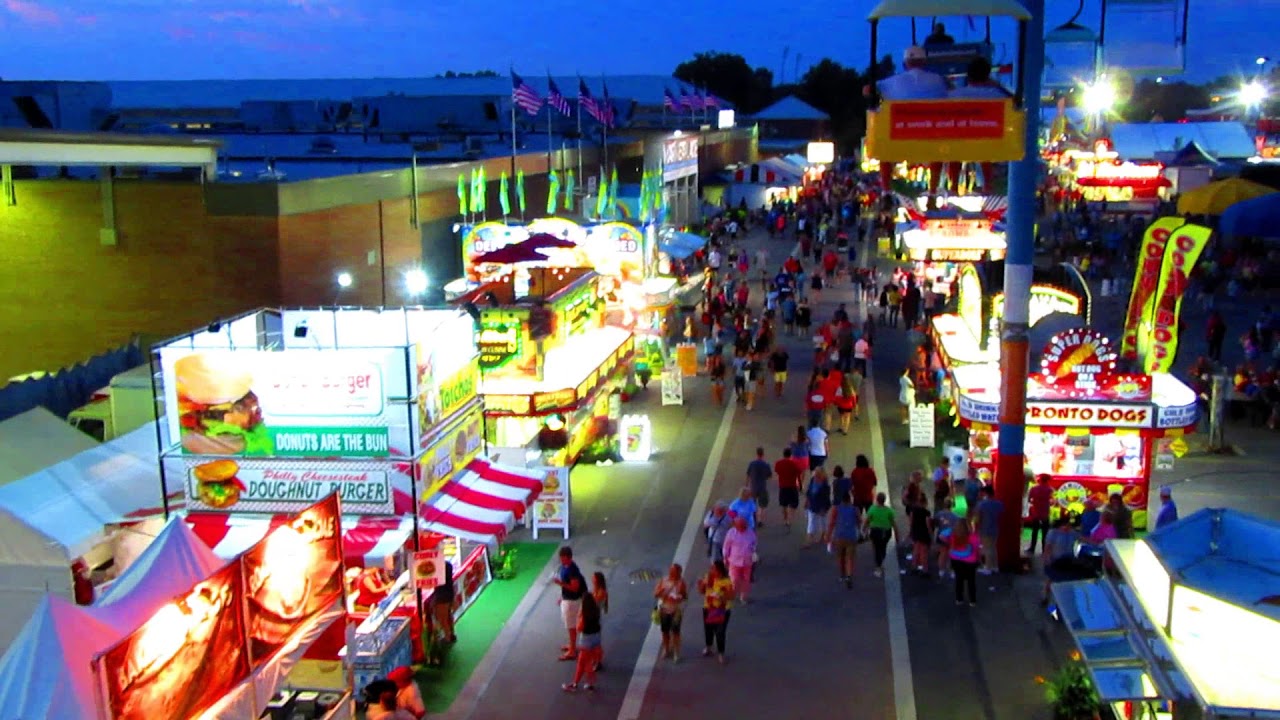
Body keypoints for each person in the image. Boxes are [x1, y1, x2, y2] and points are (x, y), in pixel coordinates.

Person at [868, 46, 949, 197]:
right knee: (938, 148)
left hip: (899, 139)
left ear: (905, 64)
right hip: (930, 138)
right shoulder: (938, 80)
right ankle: (932, 190)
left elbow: (867, 90)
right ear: (924, 62)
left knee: (883, 149)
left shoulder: (891, 82)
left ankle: (886, 190)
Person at [561, 592, 603, 692]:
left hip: (586, 640)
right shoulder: (596, 610)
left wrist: (579, 616)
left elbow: (579, 628)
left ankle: (587, 683)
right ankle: (578, 683)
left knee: (585, 663)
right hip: (596, 637)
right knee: (582, 661)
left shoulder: (584, 614)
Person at [553, 546, 587, 661]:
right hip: (567, 598)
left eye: (563, 559)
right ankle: (572, 645)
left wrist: (560, 583)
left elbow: (574, 588)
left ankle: (572, 651)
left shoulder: (573, 570)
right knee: (569, 625)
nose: (561, 561)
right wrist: (562, 597)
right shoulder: (564, 566)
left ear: (569, 558)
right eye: (561, 558)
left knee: (571, 625)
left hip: (573, 601)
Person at [697, 560, 735, 664]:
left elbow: (731, 596)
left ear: (720, 571)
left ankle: (721, 653)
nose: (711, 570)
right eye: (711, 568)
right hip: (708, 608)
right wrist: (702, 584)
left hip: (722, 610)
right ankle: (708, 647)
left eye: (714, 569)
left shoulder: (727, 582)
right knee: (708, 630)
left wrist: (721, 596)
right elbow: (701, 591)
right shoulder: (708, 578)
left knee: (720, 632)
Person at [1041, 516, 1082, 604]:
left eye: (1069, 525)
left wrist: (1097, 543)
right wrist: (1047, 558)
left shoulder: (1072, 533)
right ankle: (1046, 597)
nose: (1068, 527)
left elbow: (1082, 539)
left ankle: (1062, 600)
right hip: (1055, 560)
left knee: (1065, 580)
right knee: (1051, 579)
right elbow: (1048, 546)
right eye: (1066, 525)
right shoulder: (1053, 533)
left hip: (1068, 560)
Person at [826, 490, 862, 588]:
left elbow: (831, 523)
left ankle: (842, 574)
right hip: (851, 536)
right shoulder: (855, 509)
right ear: (850, 499)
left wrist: (828, 536)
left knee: (840, 556)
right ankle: (849, 576)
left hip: (839, 536)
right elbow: (859, 521)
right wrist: (860, 531)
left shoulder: (836, 509)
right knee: (849, 557)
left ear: (842, 500)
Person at [653, 563, 688, 662]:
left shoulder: (681, 583)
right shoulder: (664, 581)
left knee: (676, 632)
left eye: (674, 572)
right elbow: (656, 594)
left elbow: (685, 596)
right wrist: (663, 592)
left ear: (679, 572)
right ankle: (666, 649)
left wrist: (679, 598)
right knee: (665, 632)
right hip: (664, 610)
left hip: (675, 611)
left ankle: (676, 652)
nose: (672, 573)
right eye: (671, 571)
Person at [721, 514, 757, 604]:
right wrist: (725, 557)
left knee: (746, 580)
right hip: (734, 561)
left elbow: (754, 542)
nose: (743, 527)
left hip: (747, 561)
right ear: (736, 526)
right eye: (741, 525)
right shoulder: (731, 533)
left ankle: (743, 597)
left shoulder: (750, 532)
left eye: (744, 525)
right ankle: (733, 592)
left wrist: (753, 550)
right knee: (734, 579)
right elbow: (726, 546)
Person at [863, 492, 899, 578]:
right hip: (886, 532)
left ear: (877, 499)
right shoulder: (889, 511)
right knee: (883, 547)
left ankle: (878, 566)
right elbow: (893, 523)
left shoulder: (872, 509)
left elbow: (867, 520)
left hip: (875, 531)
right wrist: (897, 534)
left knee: (876, 548)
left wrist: (864, 529)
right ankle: (881, 560)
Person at [949, 519, 982, 607]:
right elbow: (977, 549)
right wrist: (979, 560)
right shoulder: (973, 537)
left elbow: (948, 543)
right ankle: (972, 601)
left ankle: (959, 599)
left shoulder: (953, 535)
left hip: (955, 559)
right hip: (970, 561)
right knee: (971, 581)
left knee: (959, 579)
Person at [975, 486, 1004, 575]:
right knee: (993, 548)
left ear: (985, 493)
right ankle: (994, 566)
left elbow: (979, 518)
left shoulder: (981, 504)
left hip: (985, 528)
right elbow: (1001, 515)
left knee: (987, 548)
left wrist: (976, 528)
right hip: (995, 528)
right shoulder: (999, 504)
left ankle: (988, 567)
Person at [775, 447, 804, 529]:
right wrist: (800, 486)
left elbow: (777, 472)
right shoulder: (794, 464)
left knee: (784, 504)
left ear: (783, 454)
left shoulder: (778, 463)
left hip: (783, 486)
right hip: (792, 486)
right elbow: (799, 475)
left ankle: (785, 519)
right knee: (794, 504)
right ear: (791, 455)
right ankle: (790, 519)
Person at [804, 467, 833, 548]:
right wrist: (807, 501)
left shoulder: (825, 485)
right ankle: (808, 541)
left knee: (823, 523)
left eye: (817, 475)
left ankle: (823, 536)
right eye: (815, 475)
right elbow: (809, 492)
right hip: (812, 505)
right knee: (811, 523)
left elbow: (826, 498)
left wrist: (823, 508)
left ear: (822, 475)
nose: (816, 477)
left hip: (821, 506)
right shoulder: (812, 480)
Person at [429, 560, 456, 644]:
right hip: (449, 593)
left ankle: (447, 637)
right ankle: (451, 634)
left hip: (442, 595)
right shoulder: (448, 565)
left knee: (443, 618)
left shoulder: (439, 568)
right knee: (448, 615)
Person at [1027, 473, 1054, 555]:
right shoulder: (1050, 489)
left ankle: (1032, 548)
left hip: (1035, 512)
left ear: (1040, 480)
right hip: (1045, 512)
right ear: (1048, 480)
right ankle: (1044, 549)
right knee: (1045, 532)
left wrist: (1035, 502)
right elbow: (1052, 502)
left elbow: (1029, 499)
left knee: (1034, 531)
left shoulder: (1033, 488)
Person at [745, 447, 773, 527]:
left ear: (757, 454)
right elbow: (770, 476)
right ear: (763, 454)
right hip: (762, 487)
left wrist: (746, 485)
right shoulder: (766, 465)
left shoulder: (752, 464)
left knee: (752, 503)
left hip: (753, 487)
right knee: (762, 505)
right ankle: (759, 520)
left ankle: (753, 517)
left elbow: (748, 475)